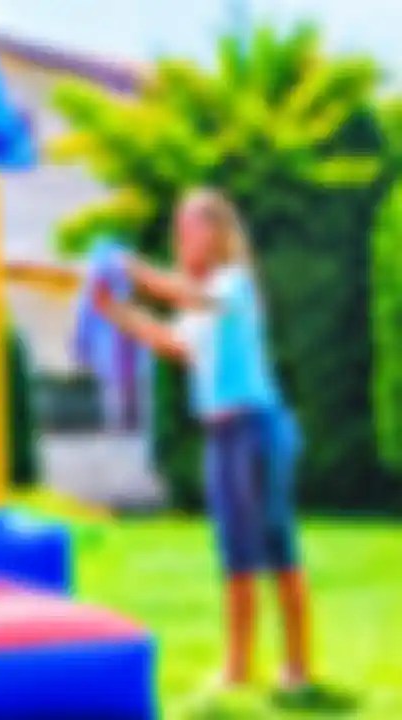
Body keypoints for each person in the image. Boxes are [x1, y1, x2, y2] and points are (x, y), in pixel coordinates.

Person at [92, 188, 349, 713]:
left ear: (218, 233)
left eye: (191, 227)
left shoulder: (232, 285)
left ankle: (296, 668)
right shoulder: (203, 299)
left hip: (257, 427)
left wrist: (136, 271)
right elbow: (172, 342)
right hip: (222, 434)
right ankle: (237, 669)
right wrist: (114, 311)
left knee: (277, 546)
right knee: (235, 552)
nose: (182, 237)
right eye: (179, 228)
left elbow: (188, 298)